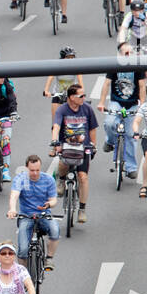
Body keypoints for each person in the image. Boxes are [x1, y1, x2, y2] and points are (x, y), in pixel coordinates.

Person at [50, 83, 98, 223]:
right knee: (63, 163)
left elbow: (93, 129)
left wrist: (93, 145)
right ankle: (61, 180)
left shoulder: (87, 109)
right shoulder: (62, 110)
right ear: (71, 97)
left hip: (83, 147)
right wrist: (55, 141)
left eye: (84, 95)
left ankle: (82, 209)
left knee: (83, 177)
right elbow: (56, 126)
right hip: (67, 145)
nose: (84, 97)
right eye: (81, 95)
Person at [97, 44, 146, 179]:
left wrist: (142, 105)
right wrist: (101, 103)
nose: (129, 55)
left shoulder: (137, 67)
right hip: (116, 102)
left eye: (131, 52)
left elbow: (142, 87)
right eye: (126, 53)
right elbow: (106, 84)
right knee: (109, 123)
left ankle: (131, 168)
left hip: (132, 104)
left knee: (130, 135)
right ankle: (110, 141)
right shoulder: (115, 66)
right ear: (120, 55)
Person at [8, 154, 59, 268]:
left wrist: (49, 204)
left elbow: (54, 200)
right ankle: (23, 275)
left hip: (44, 214)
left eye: (37, 170)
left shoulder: (48, 179)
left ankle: (49, 258)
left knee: (55, 230)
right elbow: (14, 196)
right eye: (32, 170)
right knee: (23, 250)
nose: (35, 173)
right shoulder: (20, 179)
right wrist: (12, 209)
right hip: (26, 216)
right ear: (26, 168)